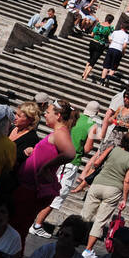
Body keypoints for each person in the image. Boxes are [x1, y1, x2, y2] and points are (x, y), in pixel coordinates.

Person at [10, 100, 77, 249]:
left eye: (48, 112)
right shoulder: (58, 133)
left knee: (17, 229)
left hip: (31, 190)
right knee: (16, 227)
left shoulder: (60, 133)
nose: (45, 114)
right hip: (28, 186)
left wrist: (47, 166)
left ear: (58, 115)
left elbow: (70, 153)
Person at [30, 101, 101, 239]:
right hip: (70, 163)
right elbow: (87, 148)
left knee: (46, 188)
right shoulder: (92, 126)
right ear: (96, 113)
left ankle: (34, 219)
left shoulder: (73, 118)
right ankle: (37, 224)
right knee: (57, 194)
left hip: (57, 158)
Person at [78, 132, 129, 258]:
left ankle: (75, 239)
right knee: (100, 221)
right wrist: (125, 199)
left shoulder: (112, 149)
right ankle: (88, 251)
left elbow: (97, 162)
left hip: (97, 183)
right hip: (114, 189)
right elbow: (127, 180)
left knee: (85, 215)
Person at [82, 13, 115, 81]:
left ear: (105, 18)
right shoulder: (110, 28)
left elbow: (92, 34)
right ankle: (86, 76)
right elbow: (109, 38)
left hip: (93, 42)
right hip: (100, 45)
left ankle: (84, 73)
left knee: (91, 58)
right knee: (93, 60)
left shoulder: (98, 24)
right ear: (111, 21)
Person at [9, 101, 43, 167]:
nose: (15, 117)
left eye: (19, 116)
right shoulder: (11, 128)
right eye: (15, 114)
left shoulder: (32, 138)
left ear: (30, 119)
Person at [100, 17, 129, 83]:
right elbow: (124, 45)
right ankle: (108, 78)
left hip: (111, 48)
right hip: (118, 50)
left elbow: (110, 39)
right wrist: (123, 52)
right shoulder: (126, 35)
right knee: (113, 67)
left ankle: (102, 80)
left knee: (106, 66)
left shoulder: (115, 32)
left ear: (121, 26)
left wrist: (112, 44)